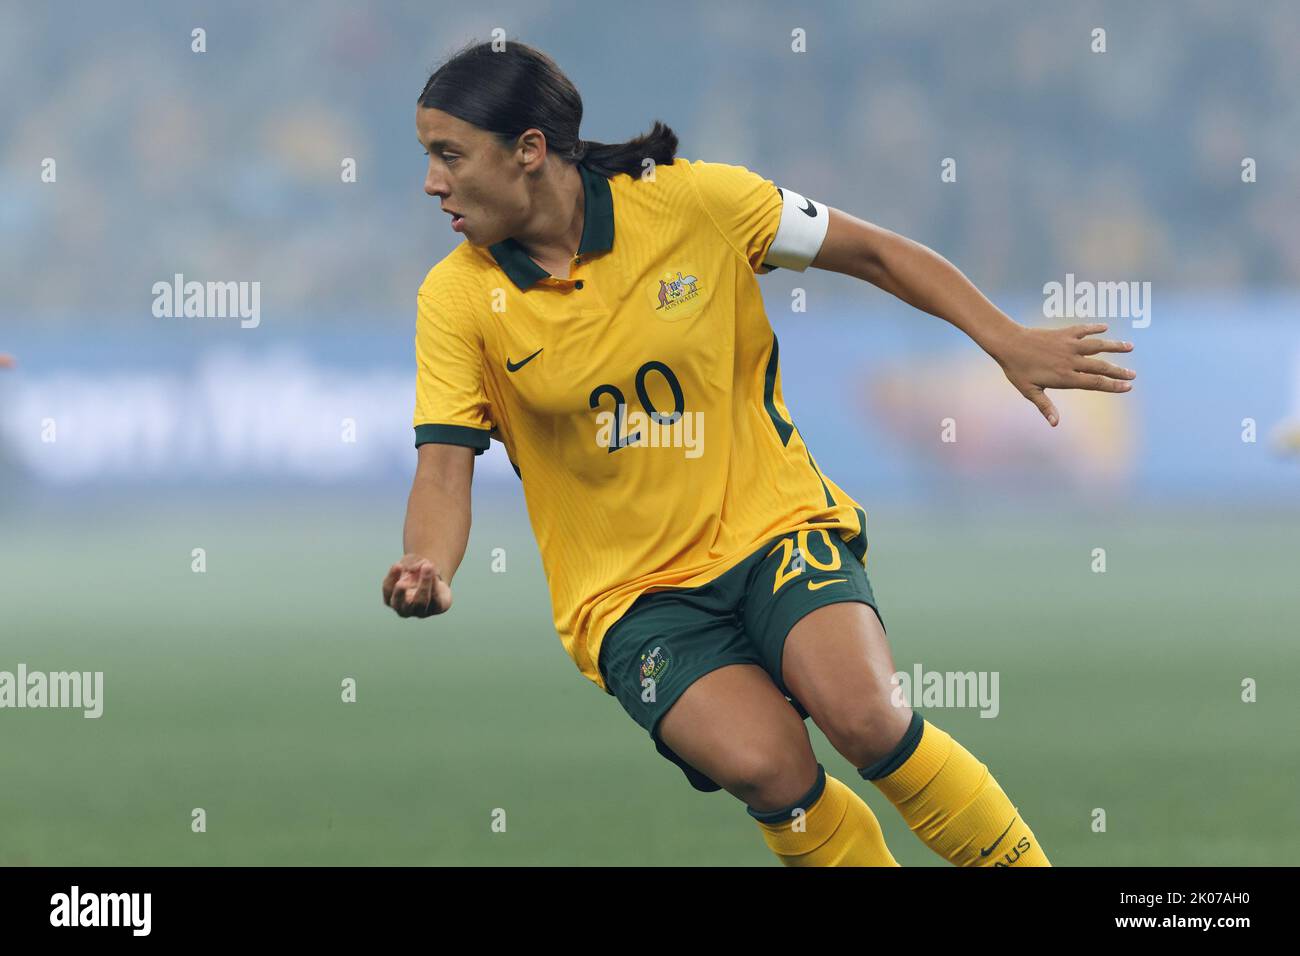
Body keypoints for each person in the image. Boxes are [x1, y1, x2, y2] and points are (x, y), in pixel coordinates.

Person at [383, 40, 1136, 866]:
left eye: (448, 154)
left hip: (772, 527)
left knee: (869, 717)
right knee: (770, 771)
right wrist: (429, 563)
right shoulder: (456, 298)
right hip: (631, 596)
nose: (431, 182)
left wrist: (1004, 340)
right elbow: (444, 468)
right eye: (428, 156)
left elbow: (878, 253)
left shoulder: (700, 202)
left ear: (529, 149)